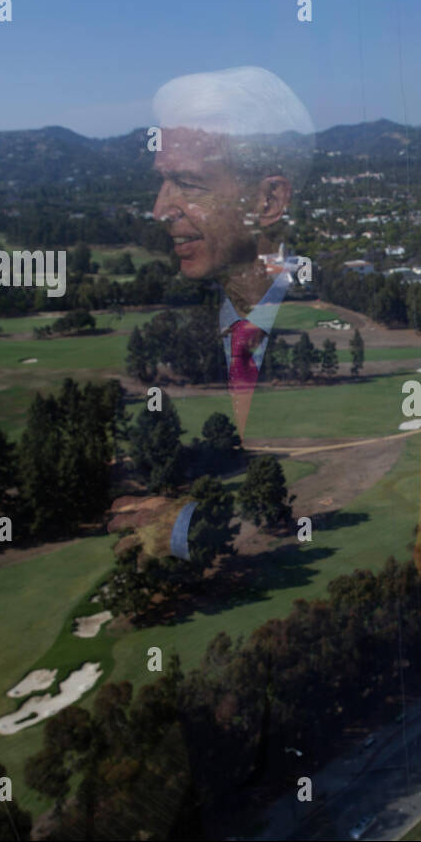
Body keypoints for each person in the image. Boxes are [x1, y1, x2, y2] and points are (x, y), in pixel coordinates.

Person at [145, 66, 313, 559]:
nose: (161, 209)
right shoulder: (174, 322)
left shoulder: (337, 329)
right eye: (163, 183)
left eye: (188, 185)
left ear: (268, 201)